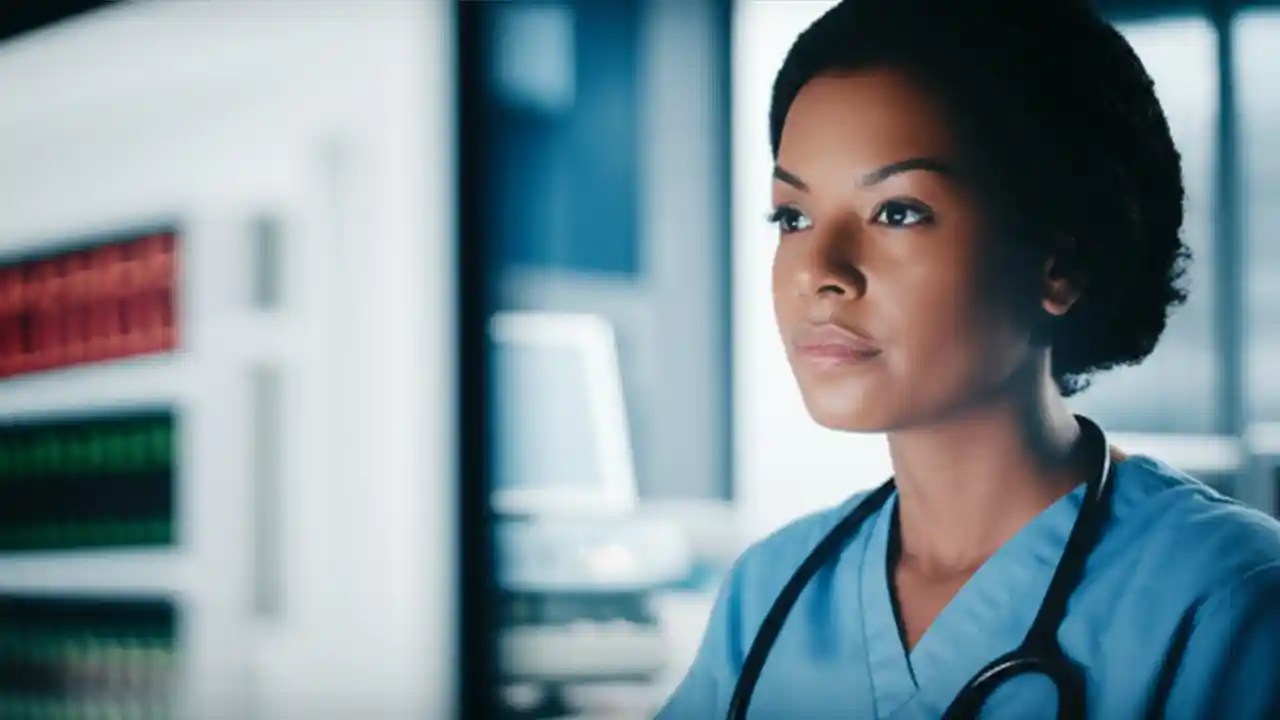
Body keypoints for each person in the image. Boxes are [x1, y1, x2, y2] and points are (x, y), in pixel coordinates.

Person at [657, 0, 1280, 718]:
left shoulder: (1226, 600)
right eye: (793, 217)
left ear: (1058, 265)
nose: (820, 272)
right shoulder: (770, 592)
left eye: (898, 212)